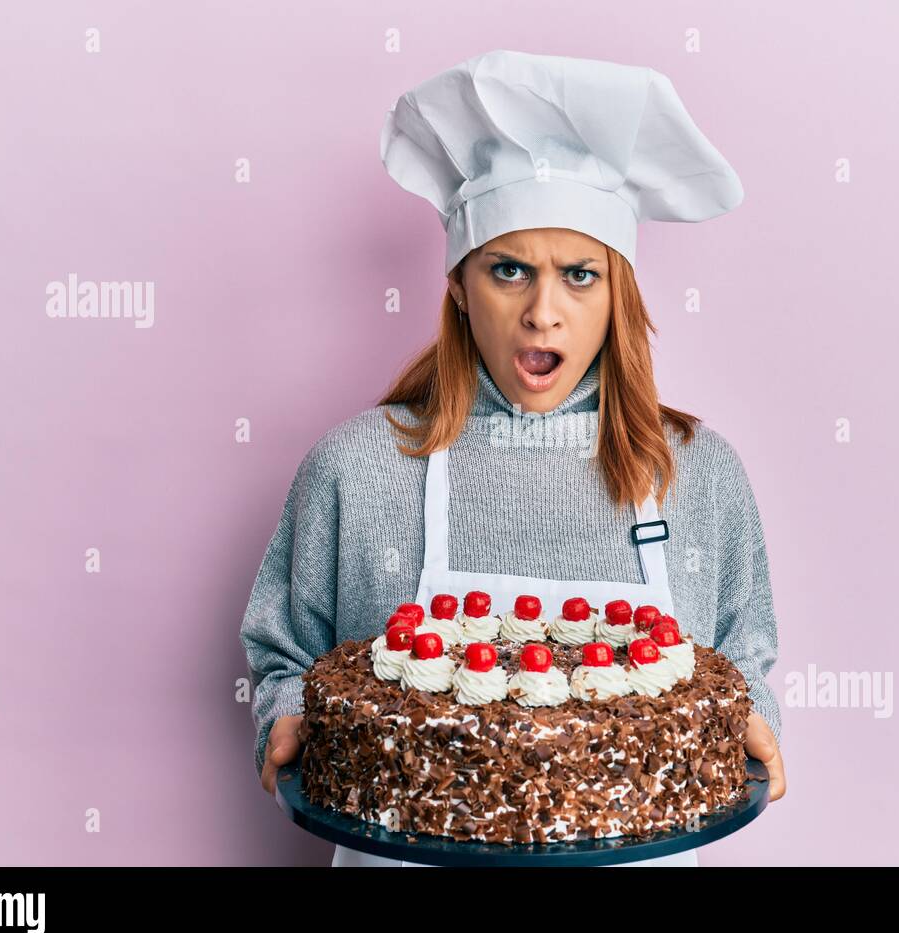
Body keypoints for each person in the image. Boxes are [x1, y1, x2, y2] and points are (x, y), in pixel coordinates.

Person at [241, 49, 787, 867]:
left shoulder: (699, 473)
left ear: (619, 293)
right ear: (460, 286)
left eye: (579, 275)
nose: (544, 314)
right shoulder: (355, 467)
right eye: (509, 271)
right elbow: (285, 652)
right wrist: (283, 713)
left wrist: (759, 717)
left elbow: (742, 661)